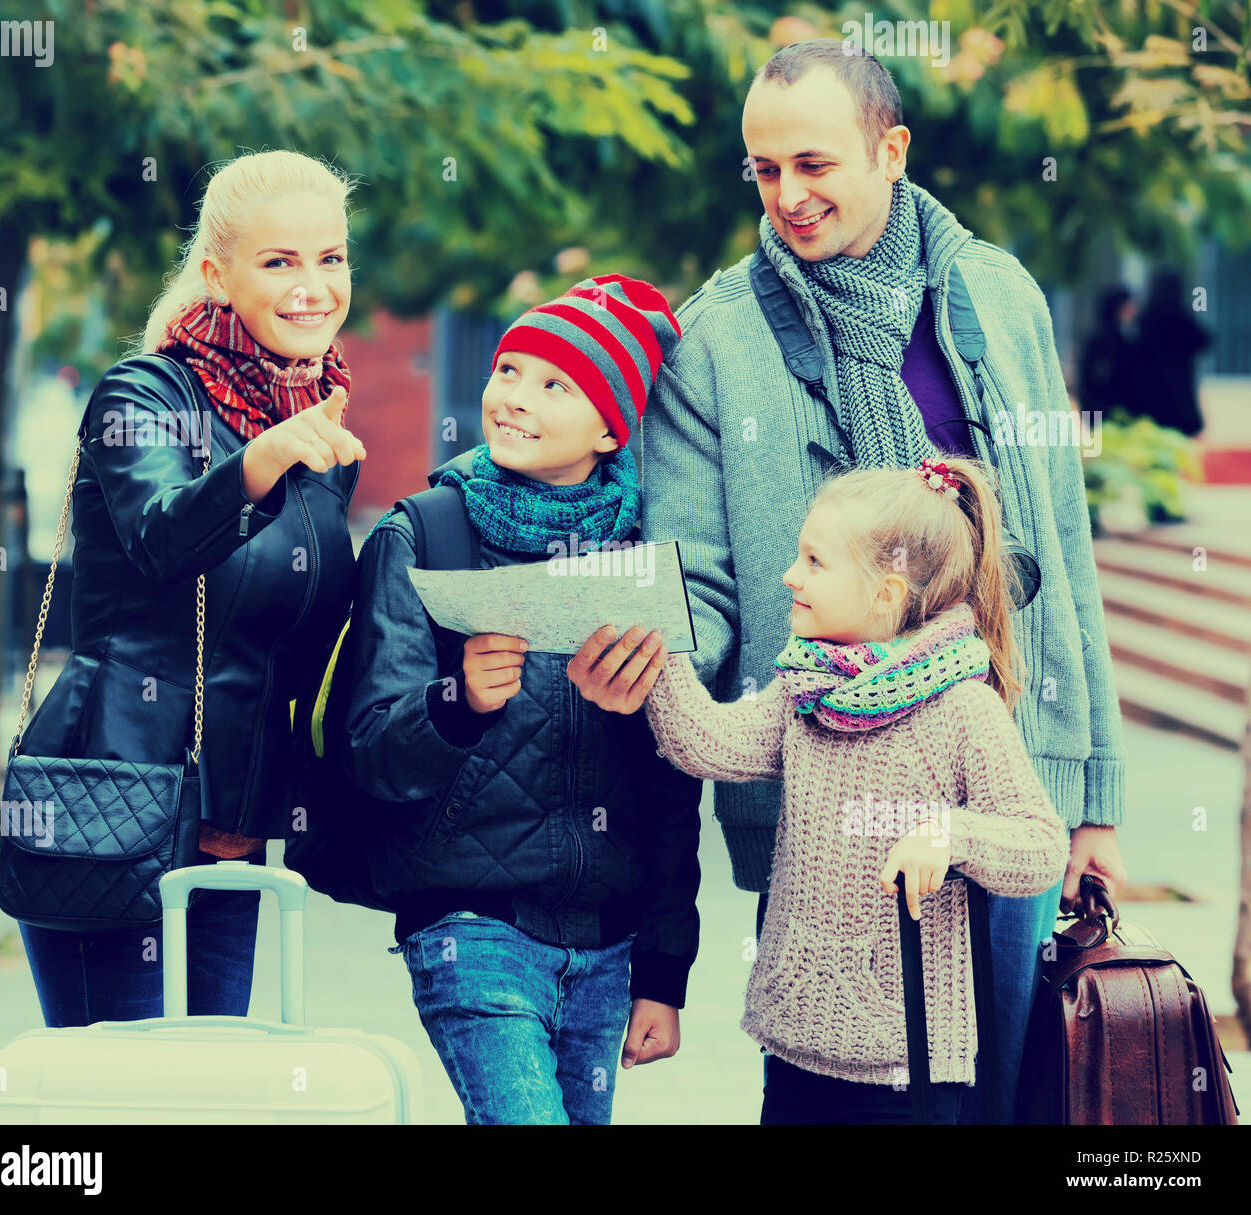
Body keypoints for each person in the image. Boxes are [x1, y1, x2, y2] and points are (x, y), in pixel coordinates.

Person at [637, 38, 1127, 1123]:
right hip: (823, 805)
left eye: (814, 164)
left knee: (992, 1101)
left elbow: (1061, 540)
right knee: (829, 1099)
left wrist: (1093, 798)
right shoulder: (713, 338)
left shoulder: (998, 296)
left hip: (1008, 781)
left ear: (889, 149)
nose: (789, 196)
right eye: (764, 171)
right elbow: (699, 586)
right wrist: (656, 655)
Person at [10, 149, 366, 1026]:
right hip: (115, 803)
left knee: (211, 1091)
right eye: (279, 261)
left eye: (331, 258)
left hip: (230, 827)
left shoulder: (310, 425)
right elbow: (162, 539)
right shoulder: (147, 394)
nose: (312, 286)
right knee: (119, 1096)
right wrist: (264, 458)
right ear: (217, 272)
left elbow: (299, 651)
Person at [337, 274, 702, 1125]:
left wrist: (662, 974)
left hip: (607, 946)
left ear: (612, 427)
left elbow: (669, 785)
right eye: (509, 370)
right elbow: (371, 749)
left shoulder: (642, 557)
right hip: (472, 926)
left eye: (553, 383)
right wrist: (455, 703)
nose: (513, 398)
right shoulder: (425, 533)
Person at [643, 457, 1068, 1124]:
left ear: (886, 596)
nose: (790, 575)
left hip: (911, 1069)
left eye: (815, 561)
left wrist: (950, 834)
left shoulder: (964, 709)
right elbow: (712, 745)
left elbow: (1042, 845)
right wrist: (657, 655)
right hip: (797, 1051)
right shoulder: (803, 688)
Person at [1133, 267, 1211, 436]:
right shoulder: (1180, 317)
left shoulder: (1147, 317)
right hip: (1178, 395)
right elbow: (1203, 340)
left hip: (1151, 394)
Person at [1077, 285, 1141, 418]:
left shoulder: (1126, 339)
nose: (1133, 311)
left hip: (1111, 411)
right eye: (1128, 307)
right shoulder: (1103, 341)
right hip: (1103, 411)